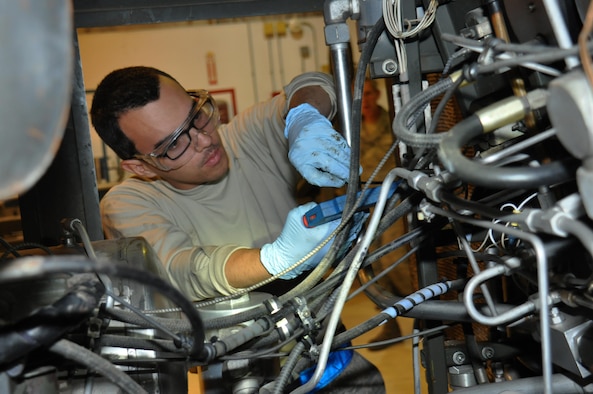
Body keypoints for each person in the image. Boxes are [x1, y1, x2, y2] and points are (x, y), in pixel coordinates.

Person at [90, 66, 385, 392]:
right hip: (244, 373)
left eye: (196, 115)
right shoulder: (129, 202)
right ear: (140, 166)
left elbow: (312, 83)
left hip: (326, 350)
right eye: (174, 144)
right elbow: (183, 269)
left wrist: (304, 117)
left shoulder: (246, 137)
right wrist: (275, 260)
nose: (204, 139)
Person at [359, 77, 414, 348]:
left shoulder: (392, 121)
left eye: (370, 94)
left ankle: (423, 317)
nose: (366, 100)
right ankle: (389, 326)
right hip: (365, 206)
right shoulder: (351, 129)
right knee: (372, 269)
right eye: (362, 95)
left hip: (393, 200)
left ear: (377, 94)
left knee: (400, 262)